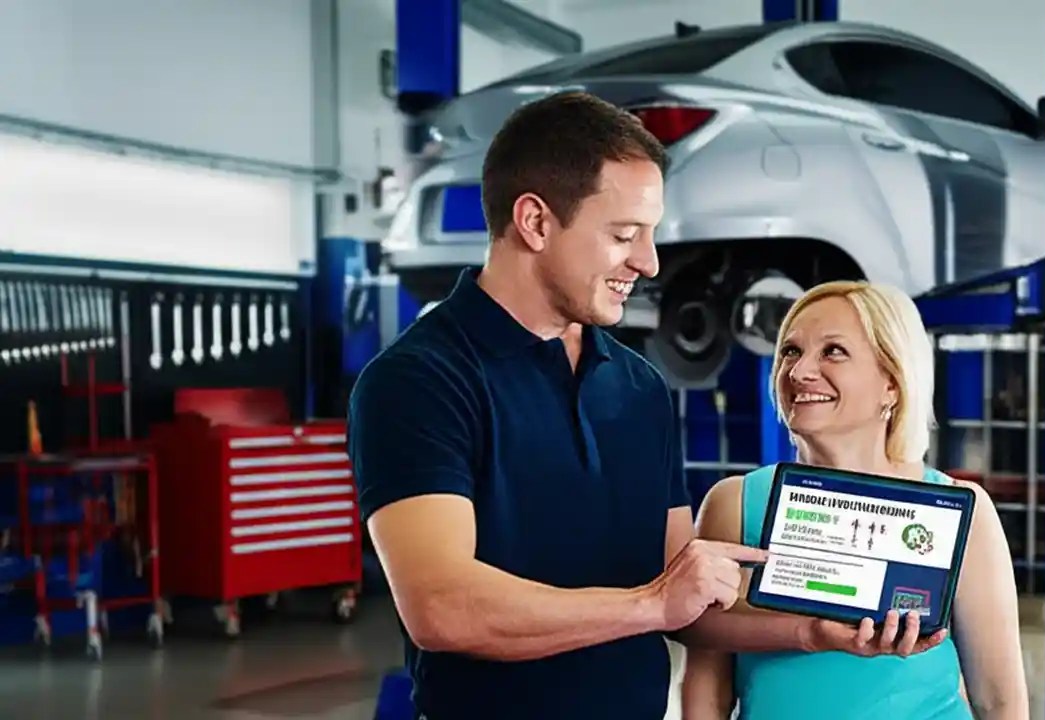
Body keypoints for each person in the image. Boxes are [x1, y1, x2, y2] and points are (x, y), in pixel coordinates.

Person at [347, 91, 942, 720]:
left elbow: (689, 603)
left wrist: (812, 632)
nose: (649, 261)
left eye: (650, 234)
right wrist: (651, 604)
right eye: (624, 234)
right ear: (535, 222)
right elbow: (442, 607)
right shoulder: (419, 380)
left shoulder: (638, 387)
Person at [681, 280, 1031, 720]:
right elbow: (706, 688)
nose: (800, 371)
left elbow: (1000, 701)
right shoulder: (735, 504)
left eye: (833, 352)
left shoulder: (961, 511)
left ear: (892, 382)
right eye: (790, 351)